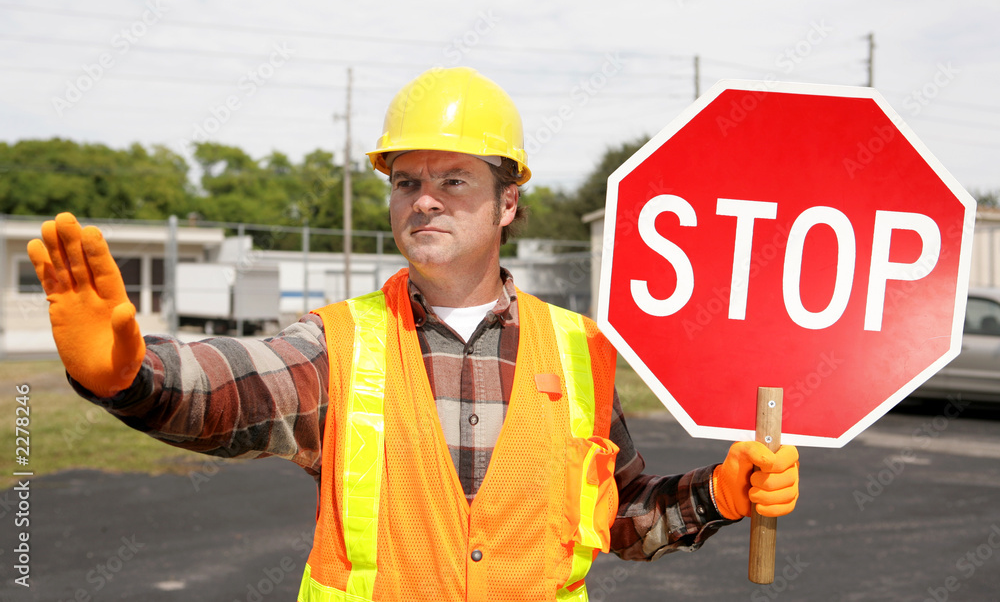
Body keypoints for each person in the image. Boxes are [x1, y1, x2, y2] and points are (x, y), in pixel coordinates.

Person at [28, 66, 798, 601]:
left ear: (508, 202)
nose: (423, 200)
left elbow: (621, 517)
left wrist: (721, 493)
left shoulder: (579, 352)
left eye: (453, 179)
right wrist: (128, 375)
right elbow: (229, 381)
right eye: (406, 182)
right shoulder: (340, 346)